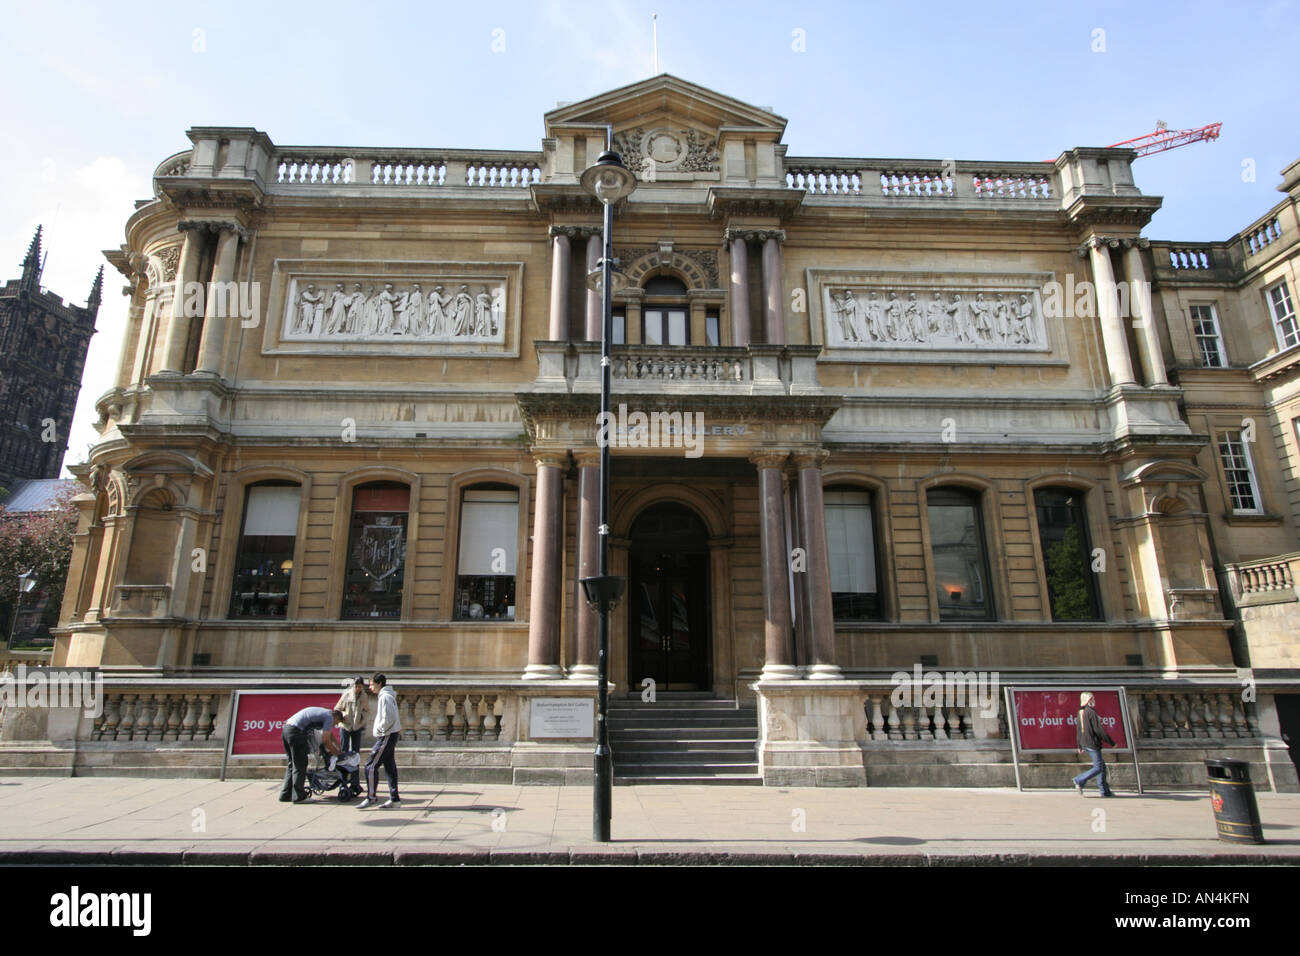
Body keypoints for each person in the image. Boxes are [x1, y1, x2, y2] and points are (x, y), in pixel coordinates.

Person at [280, 706, 343, 803]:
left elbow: (329, 735)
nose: (335, 725)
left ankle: (285, 794)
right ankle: (299, 797)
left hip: (286, 729)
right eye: (337, 723)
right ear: (336, 717)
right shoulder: (329, 717)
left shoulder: (324, 713)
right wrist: (337, 754)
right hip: (296, 733)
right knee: (300, 764)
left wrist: (338, 746)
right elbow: (325, 740)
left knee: (292, 764)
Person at [357, 673, 401, 809]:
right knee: (390, 767)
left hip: (387, 734)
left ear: (379, 683)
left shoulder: (385, 697)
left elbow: (390, 717)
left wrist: (381, 730)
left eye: (371, 684)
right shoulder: (386, 696)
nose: (370, 687)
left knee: (370, 765)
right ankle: (394, 799)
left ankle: (371, 797)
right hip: (390, 734)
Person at [1072, 691, 1116, 797]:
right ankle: (1079, 780)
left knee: (1101, 766)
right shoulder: (1091, 712)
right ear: (1087, 700)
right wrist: (1111, 742)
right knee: (1098, 767)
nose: (1093, 700)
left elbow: (1079, 729)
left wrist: (1079, 745)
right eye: (1091, 699)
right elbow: (1098, 729)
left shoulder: (1081, 711)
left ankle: (1104, 790)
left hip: (1085, 742)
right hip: (1092, 743)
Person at [333, 677, 369, 801]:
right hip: (345, 726)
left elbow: (366, 711)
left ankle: (355, 782)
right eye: (356, 686)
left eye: (360, 686)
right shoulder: (346, 695)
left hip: (356, 727)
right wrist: (343, 718)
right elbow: (337, 709)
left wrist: (362, 722)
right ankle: (343, 781)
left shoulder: (364, 697)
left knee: (355, 754)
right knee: (343, 753)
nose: (358, 689)